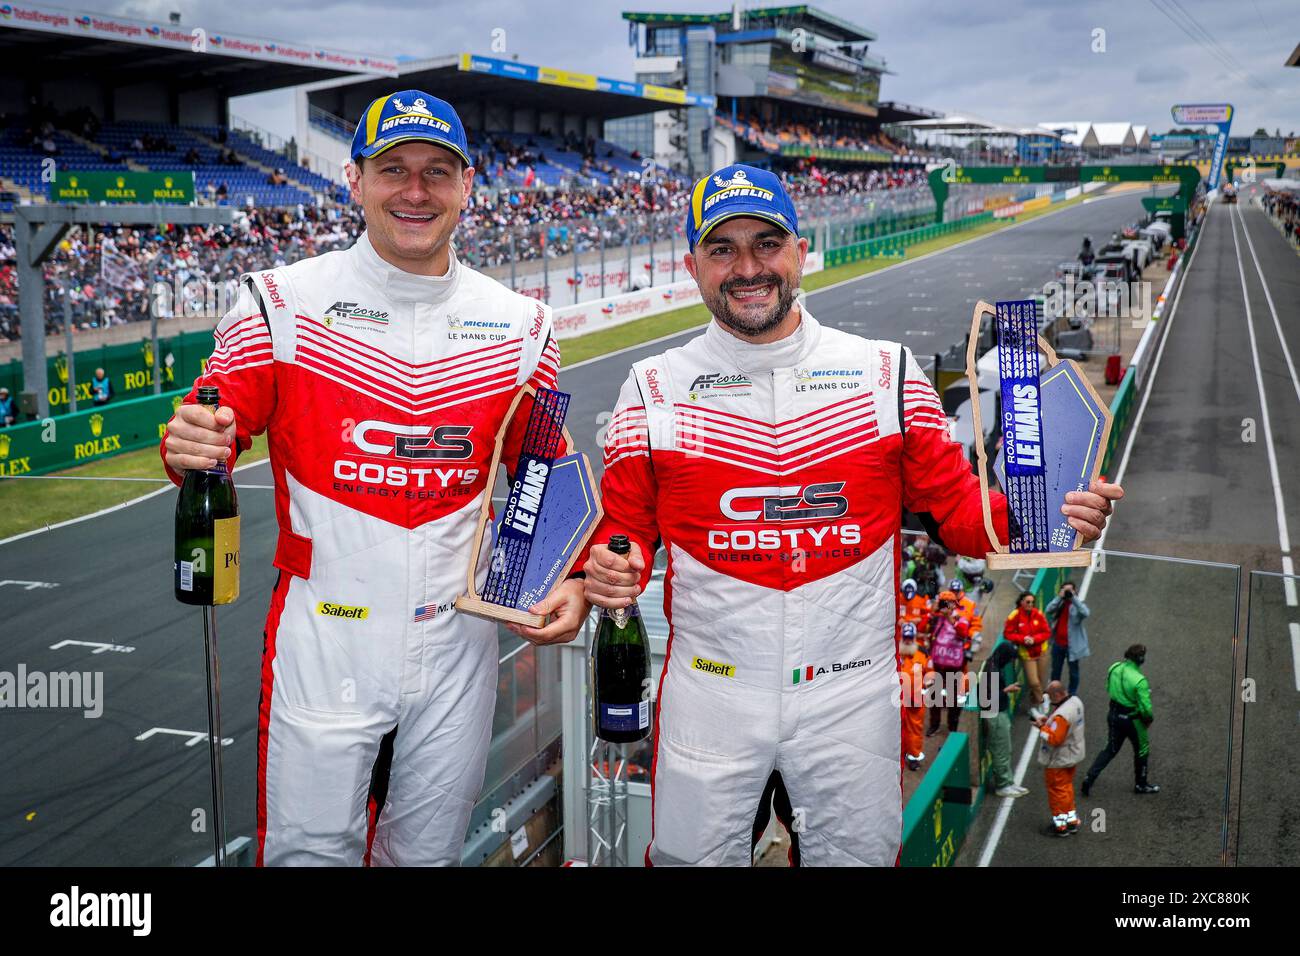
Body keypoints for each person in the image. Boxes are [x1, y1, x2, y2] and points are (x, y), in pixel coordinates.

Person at [579, 161, 1123, 866]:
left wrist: (1050, 515)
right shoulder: (649, 388)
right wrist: (608, 568)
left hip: (851, 695)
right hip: (709, 694)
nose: (748, 267)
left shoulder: (888, 374)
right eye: (723, 249)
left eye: (766, 243)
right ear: (694, 265)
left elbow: (963, 519)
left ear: (801, 251)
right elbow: (625, 536)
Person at [159, 89, 587, 867]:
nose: (415, 191)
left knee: (426, 858)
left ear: (466, 185)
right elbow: (208, 430)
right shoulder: (280, 302)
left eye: (436, 172)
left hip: (461, 642)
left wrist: (576, 578)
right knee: (307, 856)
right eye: (394, 170)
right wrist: (191, 441)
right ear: (354, 180)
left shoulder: (525, 326)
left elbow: (545, 474)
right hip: (326, 637)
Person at [1082, 644, 1159, 796]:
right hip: (1132, 719)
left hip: (1113, 714)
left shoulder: (1114, 667)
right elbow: (1146, 709)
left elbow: (1107, 687)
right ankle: (1141, 784)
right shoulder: (1140, 681)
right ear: (1141, 659)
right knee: (1142, 750)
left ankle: (1089, 777)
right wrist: (1148, 719)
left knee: (1110, 748)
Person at [1035, 680, 1085, 836]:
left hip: (1059, 759)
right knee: (1066, 789)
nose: (1049, 700)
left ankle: (1060, 826)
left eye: (1050, 696)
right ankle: (1071, 820)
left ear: (1057, 694)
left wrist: (1041, 728)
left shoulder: (1061, 716)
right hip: (1073, 754)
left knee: (1057, 792)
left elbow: (1055, 739)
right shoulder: (1076, 702)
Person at [983, 640, 1026, 798]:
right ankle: (1002, 785)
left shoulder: (993, 665)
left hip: (998, 713)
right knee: (1000, 750)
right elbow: (986, 698)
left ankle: (1008, 782)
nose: (1010, 662)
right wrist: (1007, 690)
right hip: (995, 715)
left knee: (1005, 749)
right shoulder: (992, 671)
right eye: (1009, 658)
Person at [926, 593, 969, 736]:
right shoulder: (936, 619)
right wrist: (932, 611)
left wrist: (949, 618)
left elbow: (963, 632)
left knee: (953, 699)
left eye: (947, 604)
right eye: (942, 603)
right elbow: (922, 628)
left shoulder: (960, 618)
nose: (945, 607)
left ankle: (952, 728)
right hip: (937, 665)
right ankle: (934, 724)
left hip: (954, 666)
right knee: (934, 696)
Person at [1004, 591, 1051, 719]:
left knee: (1040, 681)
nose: (1030, 604)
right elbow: (1007, 634)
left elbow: (1046, 632)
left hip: (1042, 651)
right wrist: (1023, 639)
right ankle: (1042, 701)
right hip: (1026, 654)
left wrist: (1034, 639)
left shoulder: (1038, 614)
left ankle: (1033, 706)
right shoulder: (1014, 616)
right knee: (1034, 682)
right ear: (1021, 602)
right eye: (1028, 602)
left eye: (1032, 602)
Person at [1045, 580, 1090, 696]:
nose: (1068, 593)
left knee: (1073, 672)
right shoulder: (1059, 603)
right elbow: (1048, 610)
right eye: (1066, 590)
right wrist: (1059, 598)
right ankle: (1054, 692)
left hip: (1072, 647)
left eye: (1071, 590)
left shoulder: (1077, 605)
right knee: (1056, 671)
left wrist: (1073, 598)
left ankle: (1072, 693)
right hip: (1058, 644)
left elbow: (1085, 613)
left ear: (1075, 591)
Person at [898, 623, 930, 771]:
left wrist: (926, 686)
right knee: (898, 728)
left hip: (916, 699)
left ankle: (913, 756)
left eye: (910, 638)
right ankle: (900, 754)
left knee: (915, 729)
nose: (908, 641)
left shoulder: (923, 653)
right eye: (906, 638)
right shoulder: (896, 652)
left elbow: (930, 674)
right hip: (897, 700)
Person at [897, 577, 931, 643]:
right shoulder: (897, 598)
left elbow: (928, 615)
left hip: (916, 634)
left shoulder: (922, 599)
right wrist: (897, 619)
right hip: (899, 633)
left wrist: (920, 619)